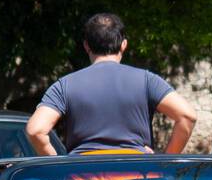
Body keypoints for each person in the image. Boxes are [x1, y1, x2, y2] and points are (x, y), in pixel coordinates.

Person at [26, 13, 196, 155]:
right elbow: (187, 116)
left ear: (86, 46)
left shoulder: (64, 86)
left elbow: (35, 130)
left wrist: (59, 168)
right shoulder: (147, 81)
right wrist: (163, 164)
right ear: (124, 45)